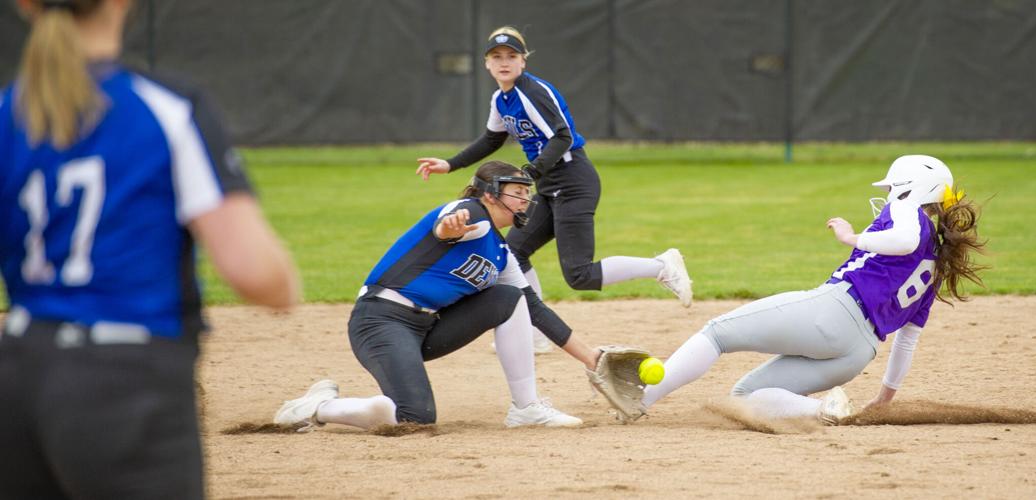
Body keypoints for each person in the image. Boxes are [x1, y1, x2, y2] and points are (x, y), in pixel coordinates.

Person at [0, 0, 301, 498]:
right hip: (126, 381)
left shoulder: (9, 111)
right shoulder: (167, 107)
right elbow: (259, 277)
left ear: (26, 6)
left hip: (18, 373)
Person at [638, 155, 985, 424]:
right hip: (857, 355)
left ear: (911, 188)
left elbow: (906, 238)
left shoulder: (907, 209)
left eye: (893, 188)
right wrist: (884, 400)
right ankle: (823, 410)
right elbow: (907, 341)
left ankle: (639, 401)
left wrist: (851, 237)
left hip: (835, 312)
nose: (889, 195)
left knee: (716, 333)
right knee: (744, 396)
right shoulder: (935, 264)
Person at [275, 161, 617, 431]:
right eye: (517, 191)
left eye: (527, 192)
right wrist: (448, 229)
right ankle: (319, 406)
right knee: (415, 418)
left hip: (425, 328)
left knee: (511, 297)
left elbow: (535, 309)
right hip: (380, 321)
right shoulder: (470, 213)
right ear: (489, 193)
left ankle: (526, 408)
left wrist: (592, 358)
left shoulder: (501, 252)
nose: (526, 199)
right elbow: (447, 225)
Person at [416, 26, 693, 352]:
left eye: (511, 56)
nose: (504, 62)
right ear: (486, 64)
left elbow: (562, 136)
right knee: (514, 254)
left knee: (579, 275)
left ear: (523, 61)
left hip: (573, 180)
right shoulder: (501, 99)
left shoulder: (532, 92)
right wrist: (450, 164)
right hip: (549, 184)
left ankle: (661, 266)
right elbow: (492, 138)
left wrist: (530, 171)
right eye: (496, 57)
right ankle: (534, 335)